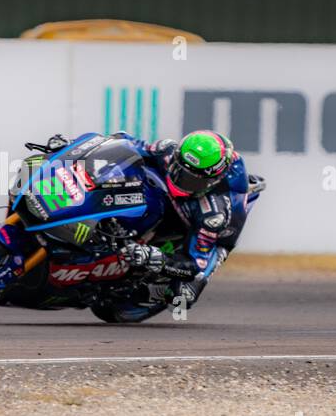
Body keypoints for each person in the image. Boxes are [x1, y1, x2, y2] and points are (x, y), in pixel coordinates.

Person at [42, 129, 264, 309]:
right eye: (179, 170)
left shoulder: (214, 214)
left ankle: (151, 289)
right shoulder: (167, 150)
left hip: (214, 237)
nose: (180, 180)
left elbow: (195, 265)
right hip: (168, 201)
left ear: (211, 182)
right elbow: (121, 141)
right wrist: (71, 148)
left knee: (181, 298)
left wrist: (158, 260)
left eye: (191, 180)